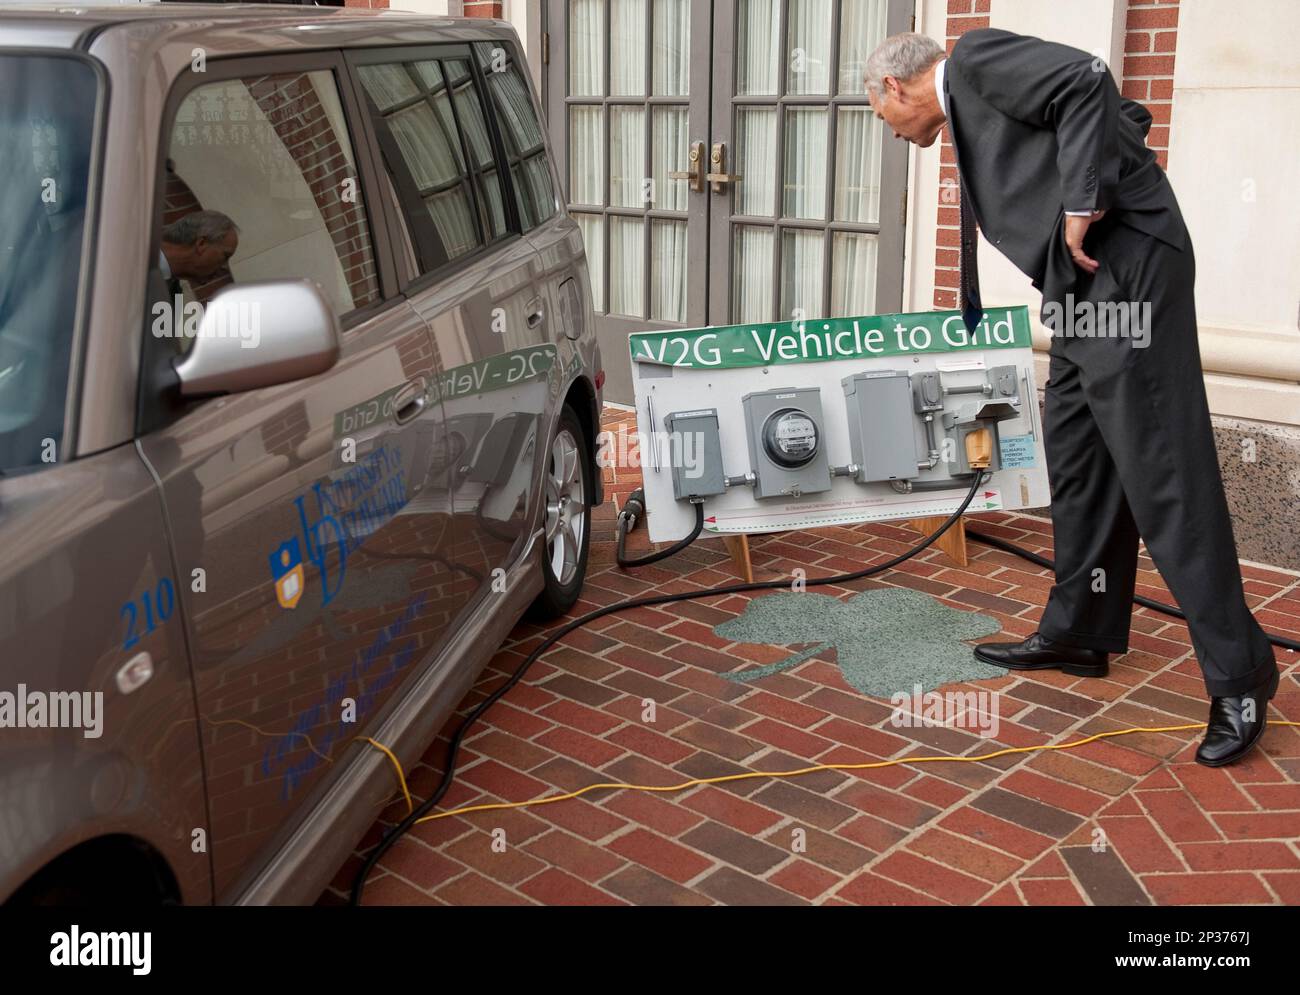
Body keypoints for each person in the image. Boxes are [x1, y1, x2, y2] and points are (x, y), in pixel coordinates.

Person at [863, 30, 1280, 767]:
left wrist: (1084, 203)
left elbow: (1088, 78)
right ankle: (1080, 627)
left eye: (879, 116)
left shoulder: (976, 61)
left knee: (1165, 476)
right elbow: (1091, 120)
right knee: (1079, 454)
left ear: (894, 88)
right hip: (1085, 292)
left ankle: (1241, 677)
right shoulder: (970, 102)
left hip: (1127, 274)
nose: (891, 133)